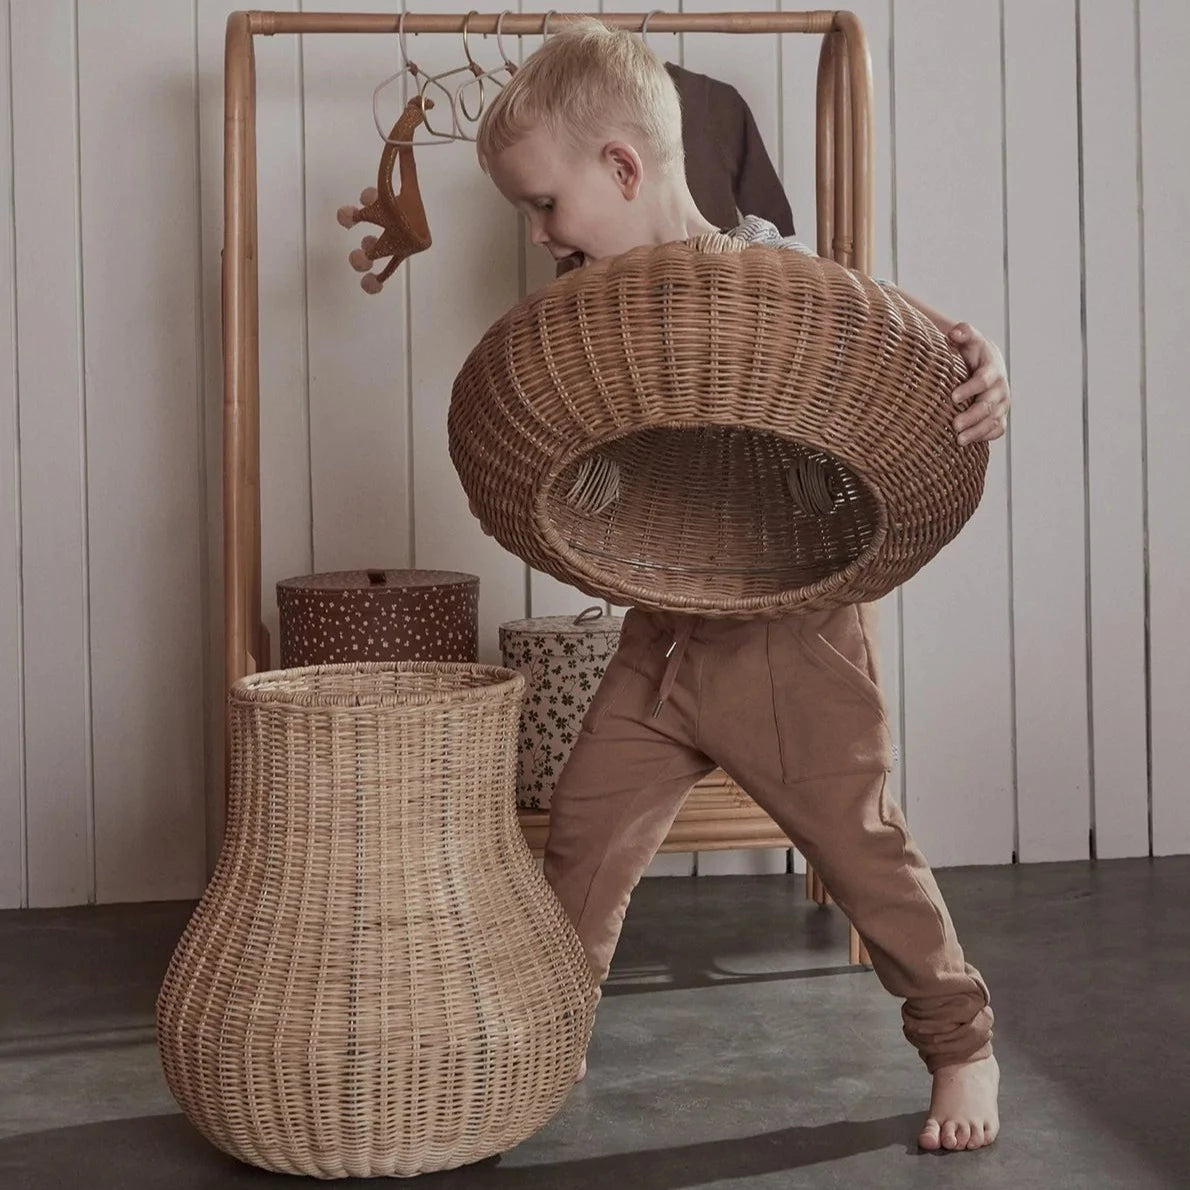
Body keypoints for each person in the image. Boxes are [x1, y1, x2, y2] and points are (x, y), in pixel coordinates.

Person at [472, 17, 1010, 1154]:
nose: (536, 235)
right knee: (582, 834)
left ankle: (957, 1037)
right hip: (662, 638)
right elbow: (596, 466)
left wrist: (979, 368)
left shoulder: (778, 284)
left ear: (622, 170)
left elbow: (896, 354)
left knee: (860, 848)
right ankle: (546, 1037)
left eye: (543, 205)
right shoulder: (590, 319)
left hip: (790, 638)